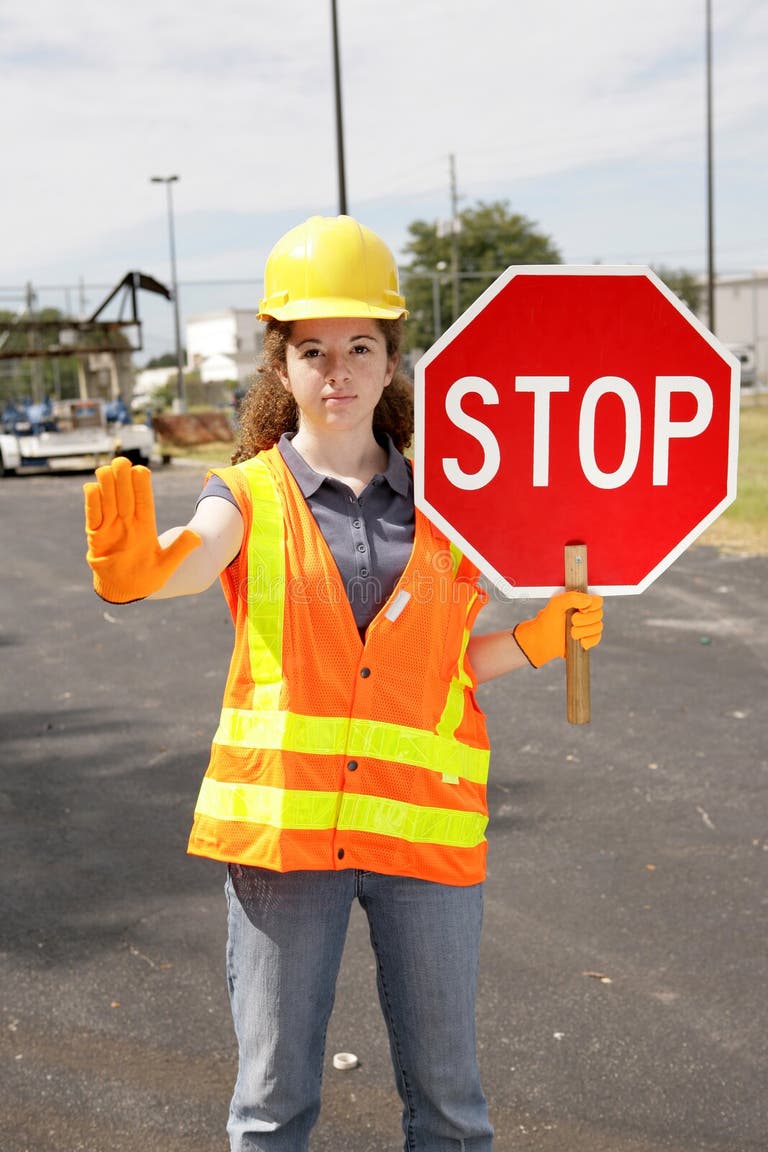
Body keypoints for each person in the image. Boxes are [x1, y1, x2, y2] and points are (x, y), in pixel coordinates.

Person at [84, 215, 603, 1152]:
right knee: (273, 1109)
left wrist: (531, 640)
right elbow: (196, 558)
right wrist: (143, 568)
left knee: (452, 1110)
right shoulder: (245, 494)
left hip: (424, 836)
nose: (338, 370)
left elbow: (444, 663)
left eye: (360, 346)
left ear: (392, 361)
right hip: (286, 844)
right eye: (313, 349)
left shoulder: (454, 504)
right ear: (280, 364)